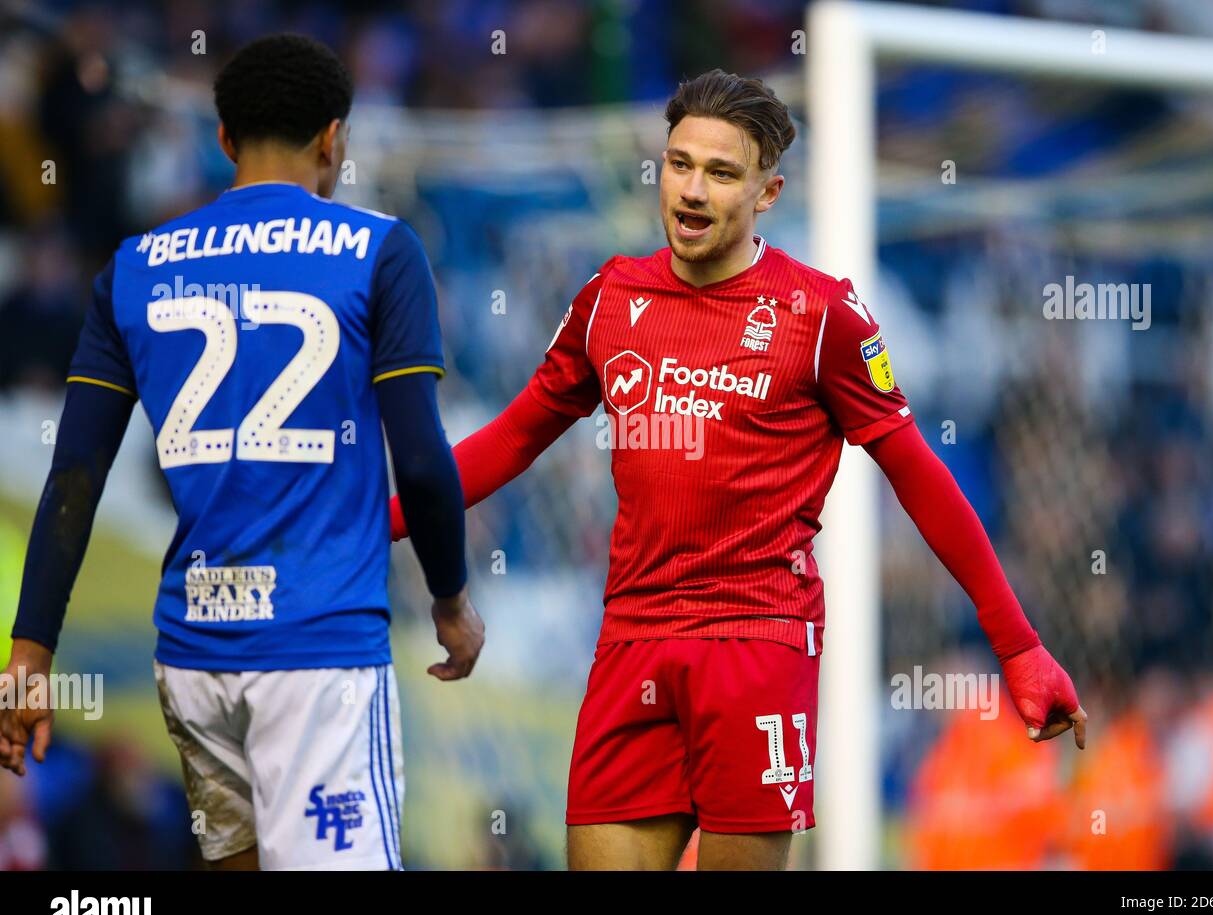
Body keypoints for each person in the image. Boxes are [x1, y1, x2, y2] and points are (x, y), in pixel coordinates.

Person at [391, 69, 1086, 871]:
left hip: (756, 648)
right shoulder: (610, 299)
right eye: (679, 164)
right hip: (632, 645)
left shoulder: (821, 315)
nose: (692, 190)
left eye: (721, 173)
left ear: (767, 193)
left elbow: (921, 477)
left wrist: (1020, 646)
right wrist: (368, 520)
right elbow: (508, 441)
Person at [0, 34, 484, 871]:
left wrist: (30, 655)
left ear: (222, 141)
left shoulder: (133, 268)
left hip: (193, 656)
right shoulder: (381, 251)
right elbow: (423, 462)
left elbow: (75, 474)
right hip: (317, 647)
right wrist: (450, 599)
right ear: (334, 138)